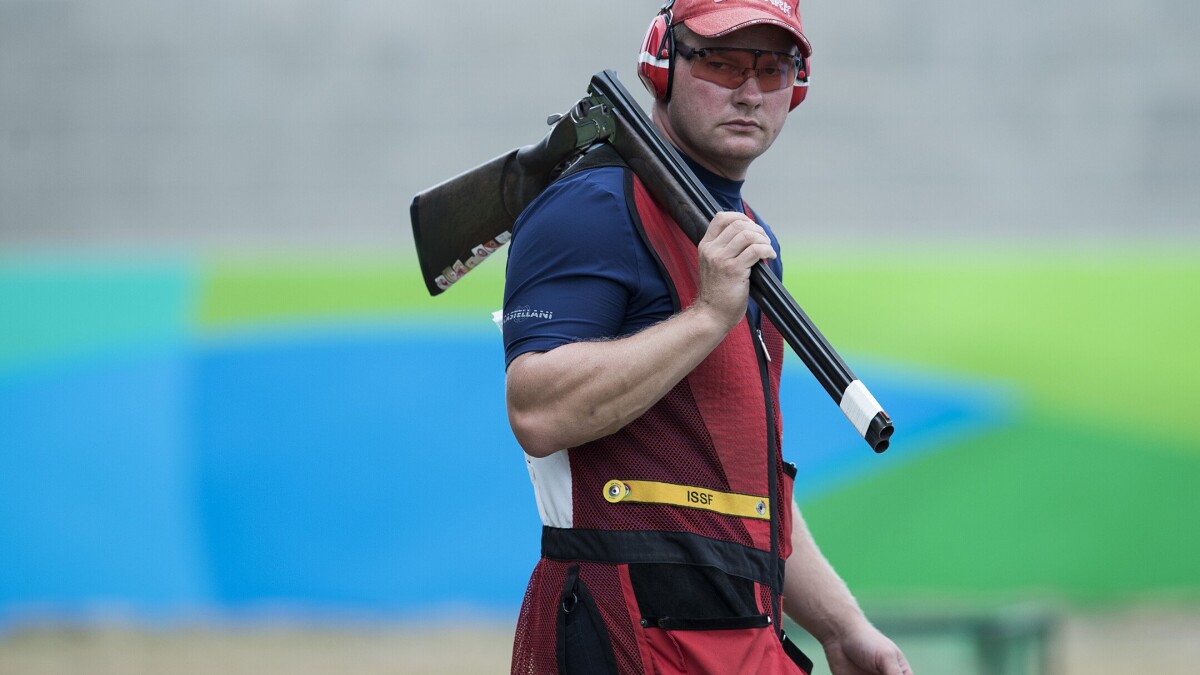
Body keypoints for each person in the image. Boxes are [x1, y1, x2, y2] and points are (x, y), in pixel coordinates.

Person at [500, 1, 913, 673]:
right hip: (621, 629)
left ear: (797, 87)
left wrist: (841, 628)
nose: (749, 90)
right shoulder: (592, 206)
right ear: (661, 62)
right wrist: (705, 317)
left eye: (773, 68)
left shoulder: (747, 237)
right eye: (721, 62)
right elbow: (537, 410)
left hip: (737, 632)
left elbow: (742, 494)